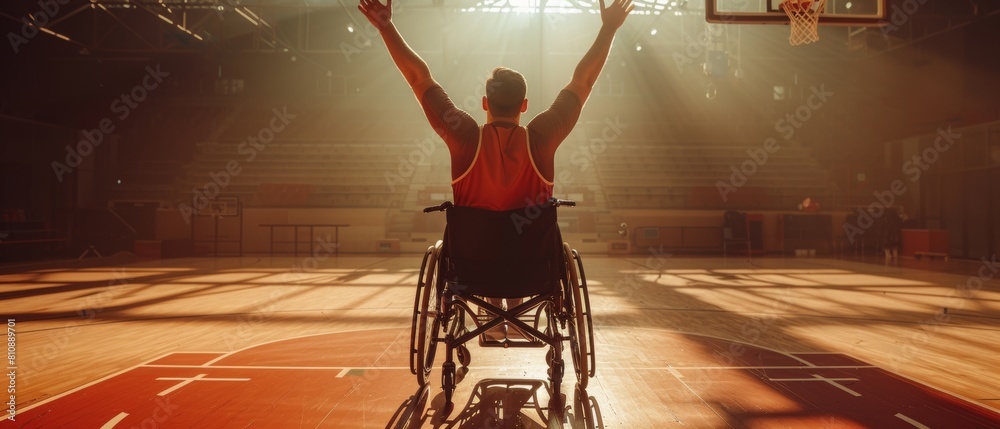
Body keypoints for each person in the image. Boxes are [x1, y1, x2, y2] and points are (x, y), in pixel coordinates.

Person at [360, 0, 632, 340]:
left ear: (485, 103)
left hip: (473, 267)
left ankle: (491, 316)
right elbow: (583, 81)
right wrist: (609, 28)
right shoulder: (542, 136)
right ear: (525, 105)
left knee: (487, 241)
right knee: (518, 237)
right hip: (532, 268)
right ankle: (516, 315)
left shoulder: (464, 135)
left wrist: (386, 27)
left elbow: (419, 78)